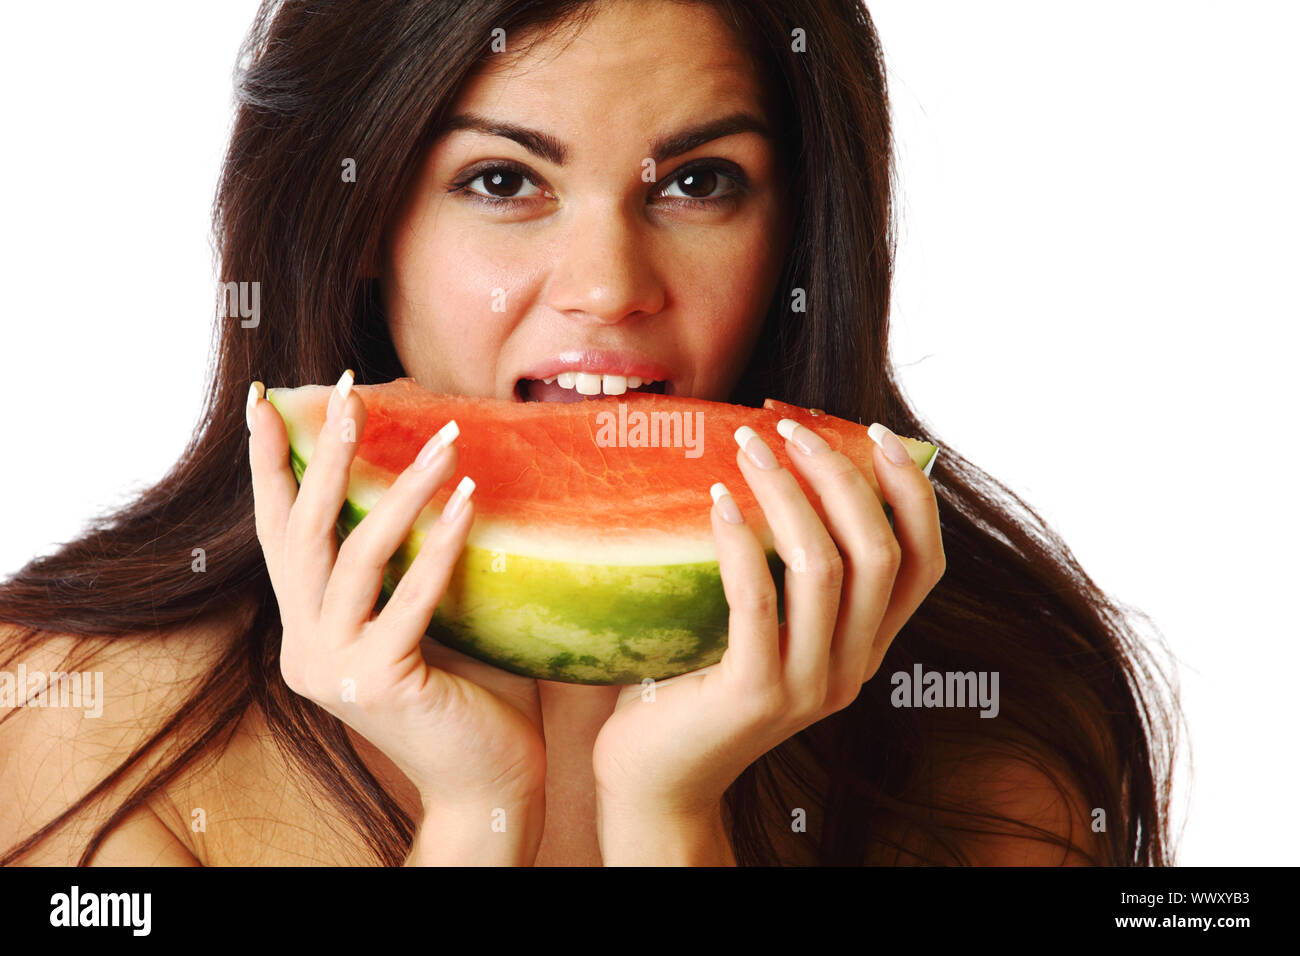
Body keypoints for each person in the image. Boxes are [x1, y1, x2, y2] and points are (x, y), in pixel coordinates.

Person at [0, 0, 1179, 866]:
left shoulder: (986, 727)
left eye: (700, 182)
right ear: (362, 217)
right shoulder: (77, 721)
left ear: (798, 233)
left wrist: (670, 818)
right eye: (504, 182)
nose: (609, 288)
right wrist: (478, 814)